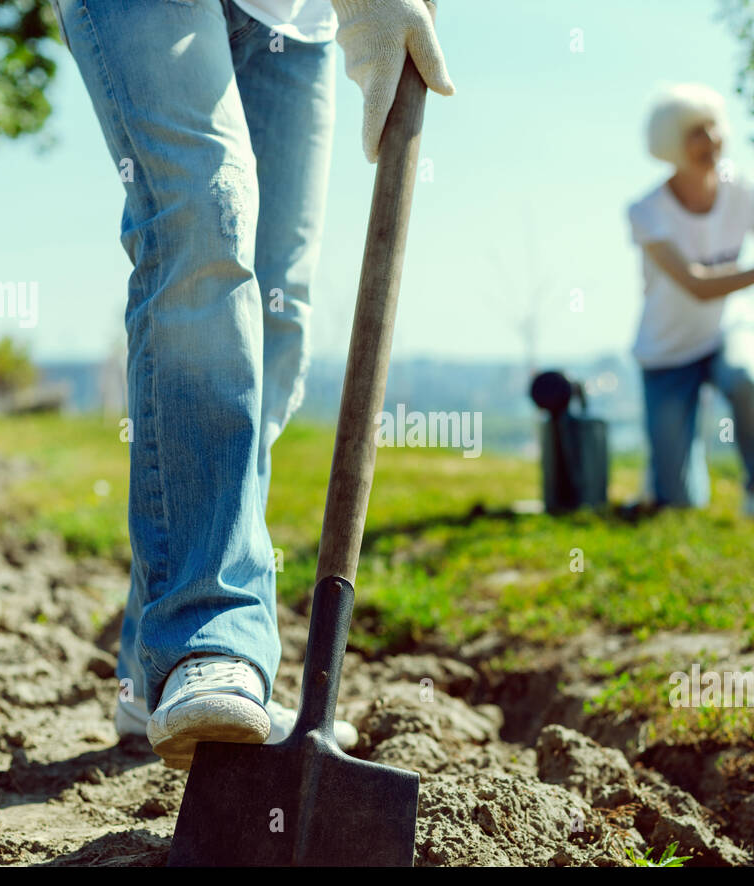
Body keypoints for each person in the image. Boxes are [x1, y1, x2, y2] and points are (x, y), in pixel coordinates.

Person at [46, 0, 453, 767]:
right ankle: (210, 635)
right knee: (205, 220)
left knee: (275, 317)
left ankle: (151, 670)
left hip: (294, 20)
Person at [627, 83, 754, 529]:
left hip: (726, 330)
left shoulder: (746, 191)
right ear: (670, 144)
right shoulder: (647, 211)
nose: (709, 140)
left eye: (712, 127)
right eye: (694, 132)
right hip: (666, 349)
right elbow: (697, 285)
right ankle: (666, 471)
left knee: (746, 379)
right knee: (679, 503)